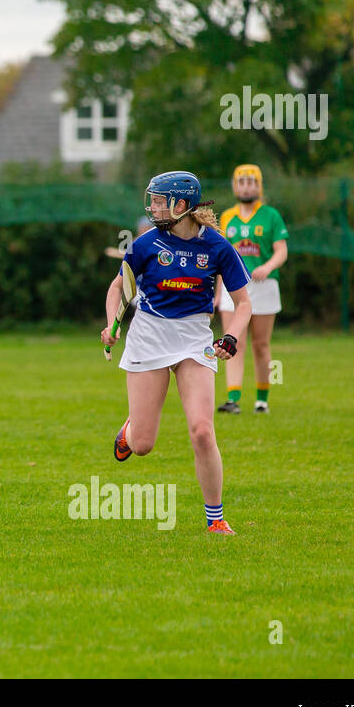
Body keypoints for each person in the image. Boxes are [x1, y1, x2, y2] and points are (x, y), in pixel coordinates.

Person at [101, 172, 252, 535]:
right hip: (149, 337)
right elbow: (118, 287)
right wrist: (112, 325)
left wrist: (230, 337)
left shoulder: (217, 247)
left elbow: (244, 303)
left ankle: (215, 520)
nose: (152, 207)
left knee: (202, 430)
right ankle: (130, 429)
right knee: (142, 446)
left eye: (158, 200)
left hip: (193, 339)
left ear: (181, 206)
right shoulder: (144, 244)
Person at [215, 165, 289, 414]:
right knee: (233, 342)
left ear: (259, 186)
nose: (246, 186)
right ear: (235, 186)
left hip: (264, 286)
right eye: (241, 182)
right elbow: (220, 257)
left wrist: (267, 267)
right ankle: (233, 399)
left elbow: (282, 251)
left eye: (251, 182)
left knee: (261, 344)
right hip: (232, 287)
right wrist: (216, 293)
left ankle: (261, 400)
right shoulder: (226, 217)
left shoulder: (271, 215)